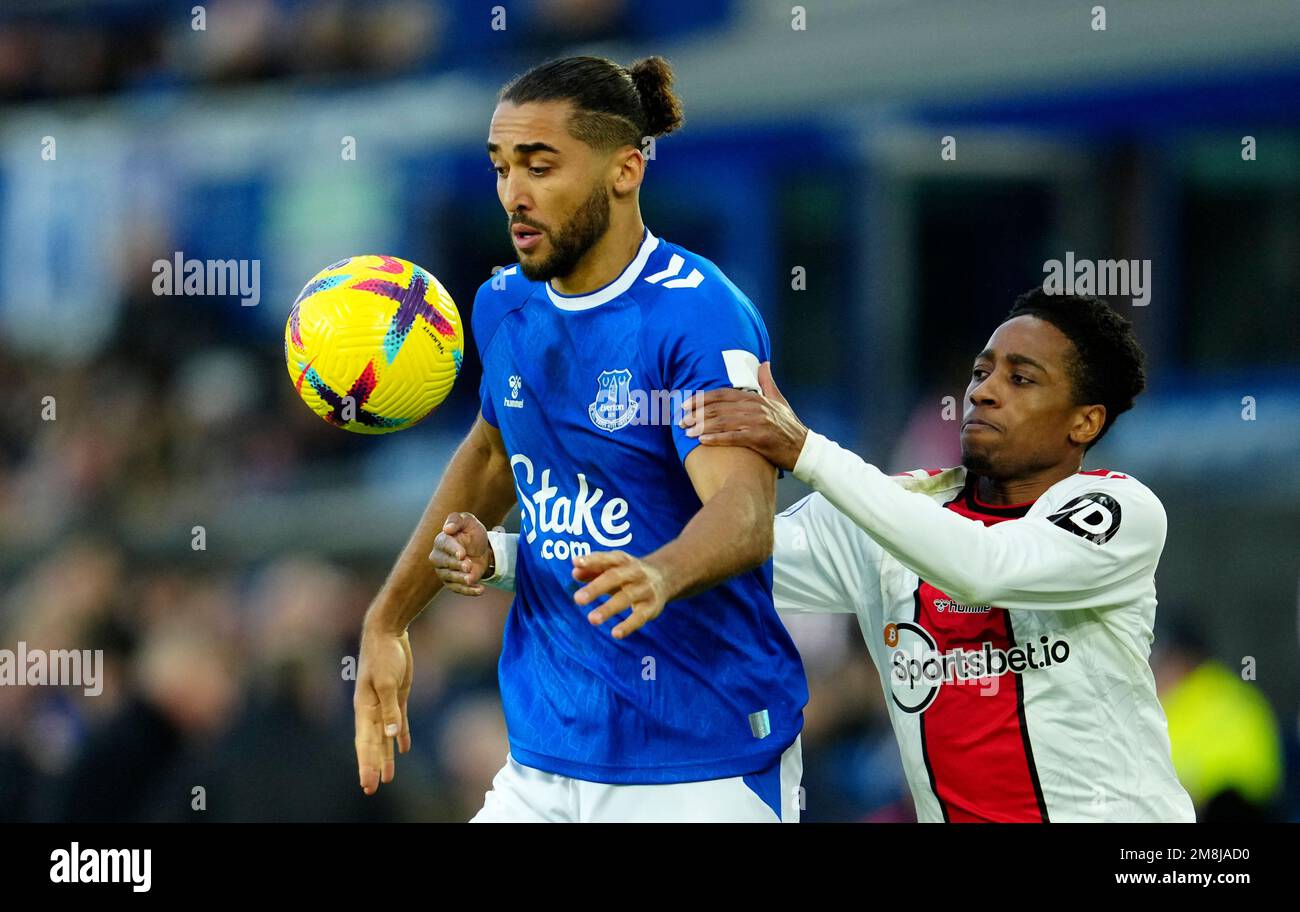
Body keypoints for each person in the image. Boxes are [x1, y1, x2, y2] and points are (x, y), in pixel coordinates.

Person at [446, 290, 1196, 822]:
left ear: (1085, 421)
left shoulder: (1117, 513)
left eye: (1020, 378)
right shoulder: (902, 513)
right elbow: (726, 555)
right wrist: (511, 556)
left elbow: (985, 566)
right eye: (981, 371)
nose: (984, 391)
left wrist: (804, 449)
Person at [354, 54, 808, 823]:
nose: (513, 195)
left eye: (540, 166)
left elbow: (744, 511)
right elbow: (494, 451)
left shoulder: (696, 319)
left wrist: (660, 574)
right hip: (544, 762)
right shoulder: (503, 305)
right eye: (501, 168)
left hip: (700, 762)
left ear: (625, 170)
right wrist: (389, 617)